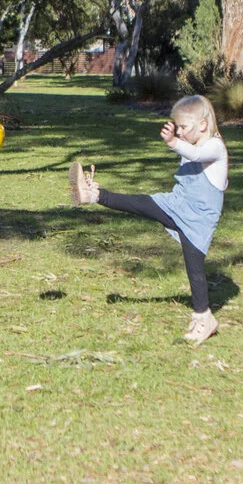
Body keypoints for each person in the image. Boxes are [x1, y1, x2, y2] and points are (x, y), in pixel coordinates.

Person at [69, 93, 227, 343]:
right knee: (141, 203)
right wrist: (178, 139)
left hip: (198, 219)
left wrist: (173, 141)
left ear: (203, 125)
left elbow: (197, 156)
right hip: (177, 203)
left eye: (184, 127)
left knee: (194, 268)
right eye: (179, 128)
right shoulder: (193, 142)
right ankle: (94, 194)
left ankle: (204, 318)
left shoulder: (215, 147)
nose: (181, 132)